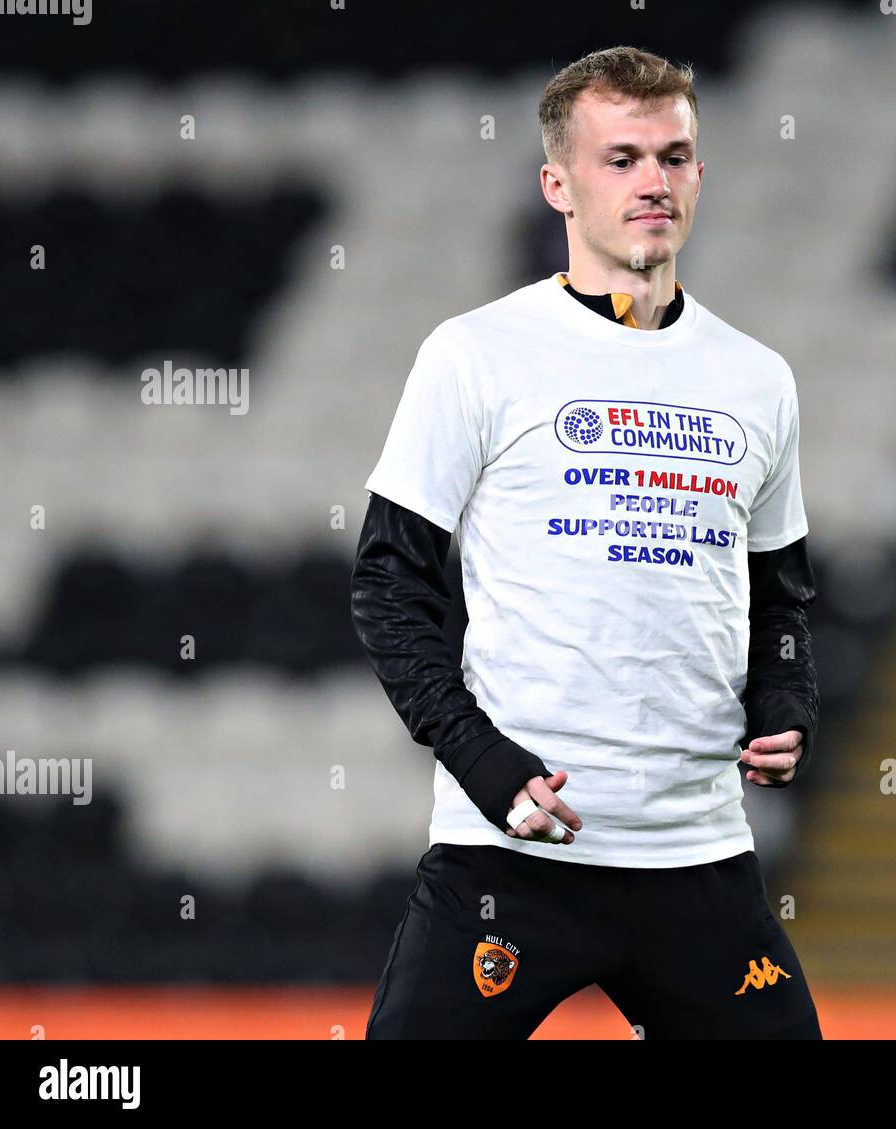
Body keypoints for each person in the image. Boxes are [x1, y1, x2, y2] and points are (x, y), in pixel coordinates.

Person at [351, 46, 821, 1039]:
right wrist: (478, 757)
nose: (653, 179)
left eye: (674, 154)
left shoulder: (757, 379)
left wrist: (783, 697)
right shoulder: (474, 355)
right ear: (557, 184)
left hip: (695, 859)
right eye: (621, 158)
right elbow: (388, 587)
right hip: (509, 861)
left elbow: (781, 594)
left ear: (699, 172)